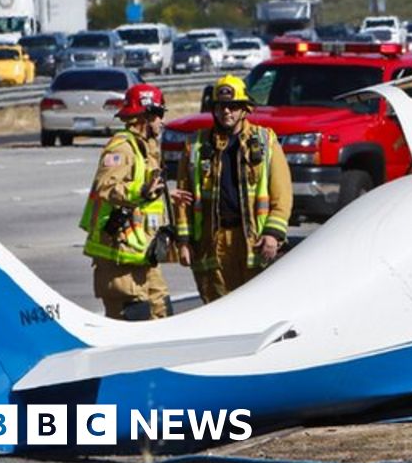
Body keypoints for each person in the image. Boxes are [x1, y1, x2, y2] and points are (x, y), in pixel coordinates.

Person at [175, 75, 293, 303]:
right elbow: (183, 199)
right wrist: (183, 242)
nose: (226, 111)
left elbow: (282, 193)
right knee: (217, 307)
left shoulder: (266, 141)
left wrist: (273, 233)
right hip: (211, 243)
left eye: (233, 106)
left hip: (253, 241)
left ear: (244, 109)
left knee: (257, 306)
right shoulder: (196, 145)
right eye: (220, 106)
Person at [79, 84, 190, 320]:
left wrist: (165, 193)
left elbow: (144, 190)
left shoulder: (145, 149)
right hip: (119, 256)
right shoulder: (123, 147)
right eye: (159, 114)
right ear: (145, 115)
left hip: (141, 254)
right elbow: (106, 187)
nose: (162, 121)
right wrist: (141, 189)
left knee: (161, 312)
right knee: (133, 319)